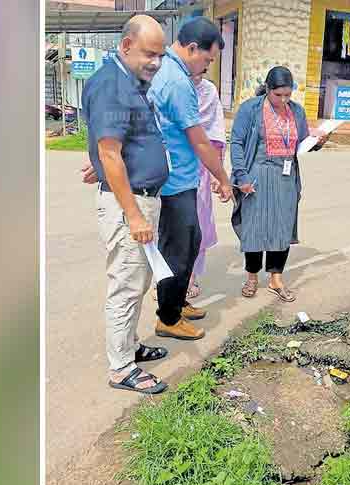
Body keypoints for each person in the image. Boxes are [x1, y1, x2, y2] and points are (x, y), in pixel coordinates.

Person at [80, 15, 171, 394]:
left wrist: (102, 162)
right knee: (126, 285)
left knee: (138, 281)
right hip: (129, 205)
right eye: (149, 53)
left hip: (138, 197)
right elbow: (110, 151)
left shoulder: (128, 83)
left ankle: (130, 347)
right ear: (126, 45)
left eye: (160, 55)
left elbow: (115, 145)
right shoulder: (113, 86)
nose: (155, 62)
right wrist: (132, 214)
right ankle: (121, 369)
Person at [146, 17, 234, 341]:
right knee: (177, 251)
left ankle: (178, 302)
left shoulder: (169, 72)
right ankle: (168, 319)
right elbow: (200, 140)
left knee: (191, 242)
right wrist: (223, 178)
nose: (208, 65)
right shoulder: (176, 82)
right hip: (173, 180)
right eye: (208, 59)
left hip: (181, 177)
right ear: (192, 48)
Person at [228, 66, 328, 302]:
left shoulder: (297, 111)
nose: (283, 100)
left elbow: (303, 144)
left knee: (282, 228)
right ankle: (251, 277)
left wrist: (318, 141)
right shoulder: (250, 109)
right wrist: (241, 176)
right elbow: (237, 143)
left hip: (286, 177)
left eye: (287, 95)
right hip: (257, 174)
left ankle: (275, 278)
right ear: (268, 89)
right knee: (255, 227)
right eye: (278, 95)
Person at [189, 71, 226, 301]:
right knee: (167, 225)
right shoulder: (167, 83)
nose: (204, 69)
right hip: (170, 166)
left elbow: (215, 131)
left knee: (196, 223)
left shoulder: (209, 91)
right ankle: (164, 278)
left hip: (201, 167)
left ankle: (190, 277)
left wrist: (217, 173)